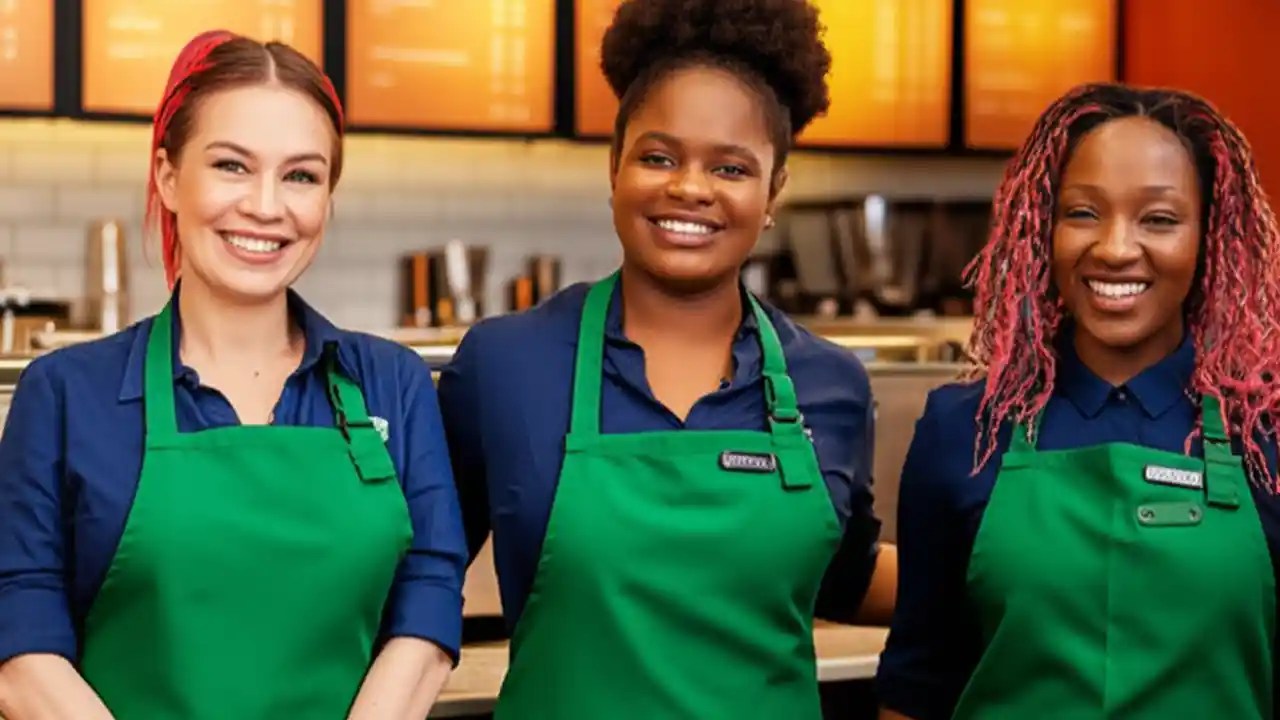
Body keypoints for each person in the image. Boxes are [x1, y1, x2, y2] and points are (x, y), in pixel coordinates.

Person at [438, 0, 894, 717]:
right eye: (658, 156)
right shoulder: (505, 366)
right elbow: (420, 578)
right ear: (614, 166)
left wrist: (1038, 572)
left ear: (773, 191)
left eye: (731, 167)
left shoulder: (830, 385)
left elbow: (843, 575)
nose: (689, 187)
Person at [0, 31, 467, 719]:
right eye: (231, 166)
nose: (267, 206)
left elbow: (428, 596)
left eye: (301, 176)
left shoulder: (392, 384)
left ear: (328, 200)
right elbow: (21, 644)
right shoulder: (66, 394)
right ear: (167, 176)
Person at [878, 82, 1280, 719]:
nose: (1116, 249)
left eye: (1160, 219)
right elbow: (917, 684)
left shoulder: (1265, 438)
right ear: (1043, 231)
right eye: (1084, 213)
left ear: (1210, 239)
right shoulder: (964, 431)